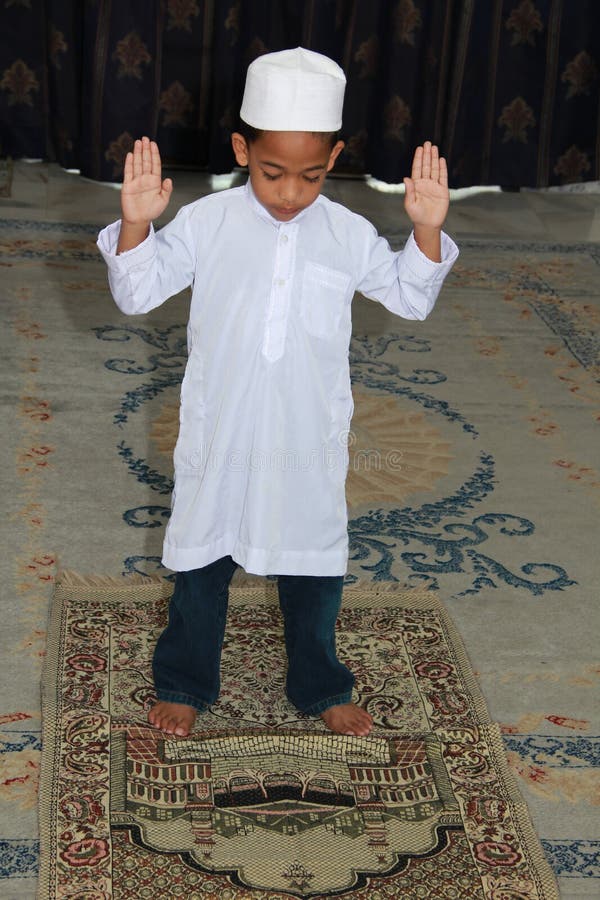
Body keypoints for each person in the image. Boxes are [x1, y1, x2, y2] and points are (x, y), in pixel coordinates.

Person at [97, 47, 458, 739]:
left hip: (306, 433)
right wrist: (139, 222)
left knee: (313, 560)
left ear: (336, 159)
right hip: (222, 428)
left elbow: (410, 298)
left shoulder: (347, 233)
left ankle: (321, 684)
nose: (290, 192)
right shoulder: (210, 222)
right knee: (203, 560)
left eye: (312, 175)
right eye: (271, 172)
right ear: (241, 148)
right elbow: (138, 290)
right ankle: (184, 680)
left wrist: (427, 230)